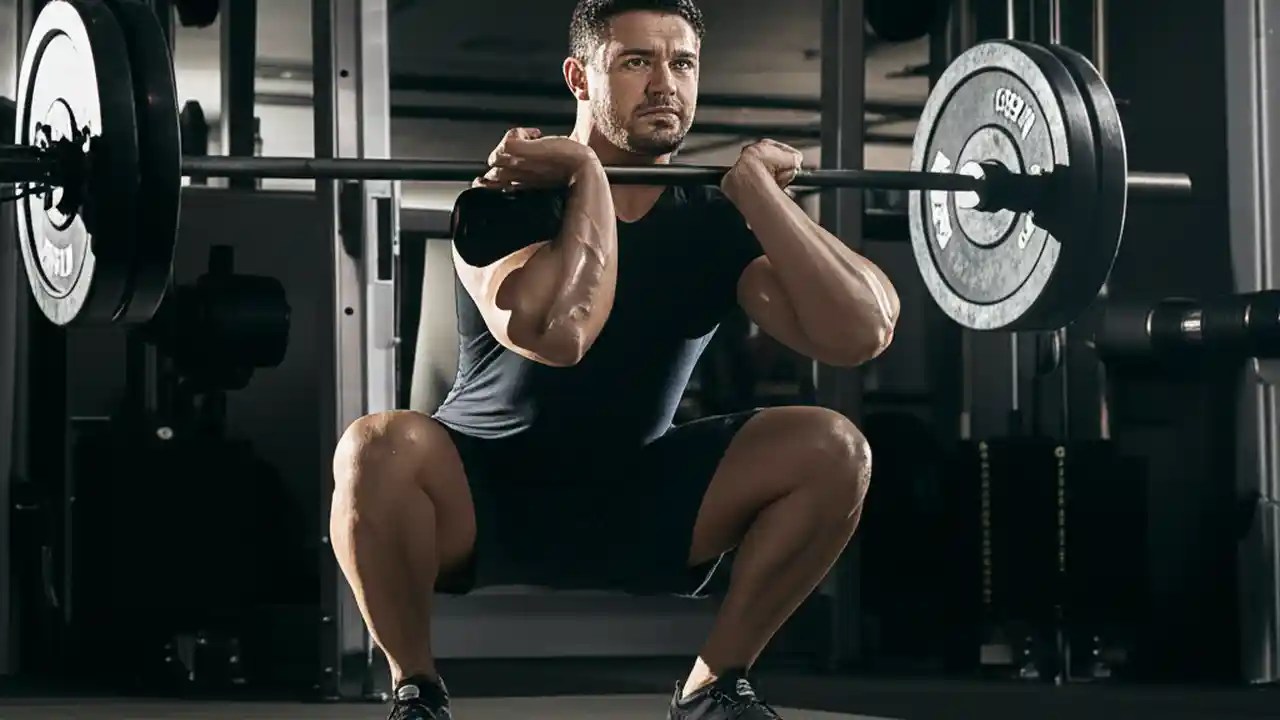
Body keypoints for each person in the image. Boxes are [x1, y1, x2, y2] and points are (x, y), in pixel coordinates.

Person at [329, 0, 901, 718]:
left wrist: (761, 195)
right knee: (375, 446)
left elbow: (862, 332)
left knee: (834, 449)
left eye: (682, 63)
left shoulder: (711, 220)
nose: (665, 84)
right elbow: (561, 332)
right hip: (481, 492)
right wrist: (584, 172)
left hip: (637, 493)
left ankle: (714, 685)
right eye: (636, 61)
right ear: (579, 77)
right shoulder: (505, 199)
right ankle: (417, 689)